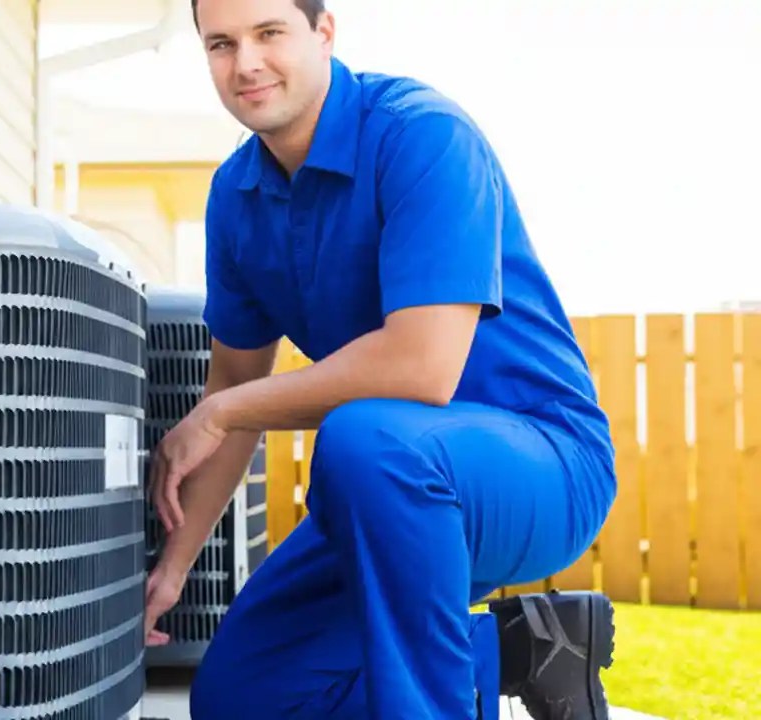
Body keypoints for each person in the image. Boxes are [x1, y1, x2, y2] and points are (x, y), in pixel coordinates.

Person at [142, 0, 619, 718]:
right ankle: (526, 651)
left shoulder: (422, 135)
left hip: (541, 462)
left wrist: (225, 409)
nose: (245, 64)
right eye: (221, 43)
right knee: (241, 696)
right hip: (385, 486)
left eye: (270, 33)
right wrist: (170, 572)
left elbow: (420, 368)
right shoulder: (236, 199)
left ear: (324, 33)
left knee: (364, 439)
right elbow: (236, 386)